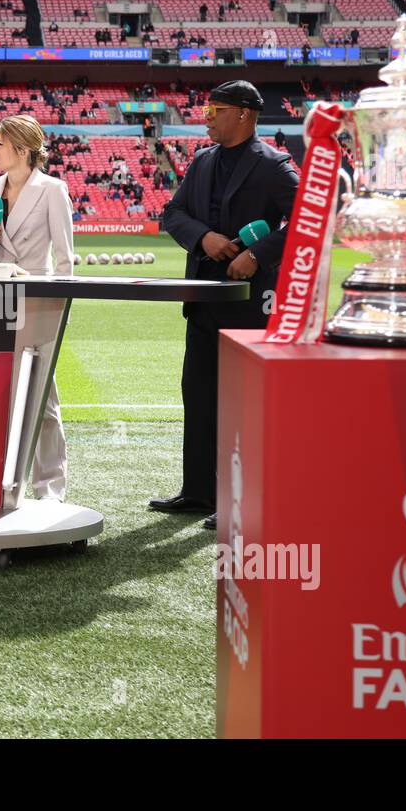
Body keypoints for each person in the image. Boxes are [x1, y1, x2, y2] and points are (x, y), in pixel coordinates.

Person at [149, 81, 298, 530]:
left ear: (246, 115)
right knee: (197, 395)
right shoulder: (201, 161)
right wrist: (203, 238)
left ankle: (241, 496)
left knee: (244, 405)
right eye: (207, 107)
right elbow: (172, 214)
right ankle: (197, 490)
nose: (207, 115)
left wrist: (257, 254)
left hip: (250, 306)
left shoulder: (274, 166)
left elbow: (311, 219)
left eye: (217, 108)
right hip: (202, 300)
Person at [0, 114, 74, 502]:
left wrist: (59, 311)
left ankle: (50, 489)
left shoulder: (52, 190)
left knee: (43, 400)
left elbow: (64, 259)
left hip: (37, 302)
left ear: (22, 150)